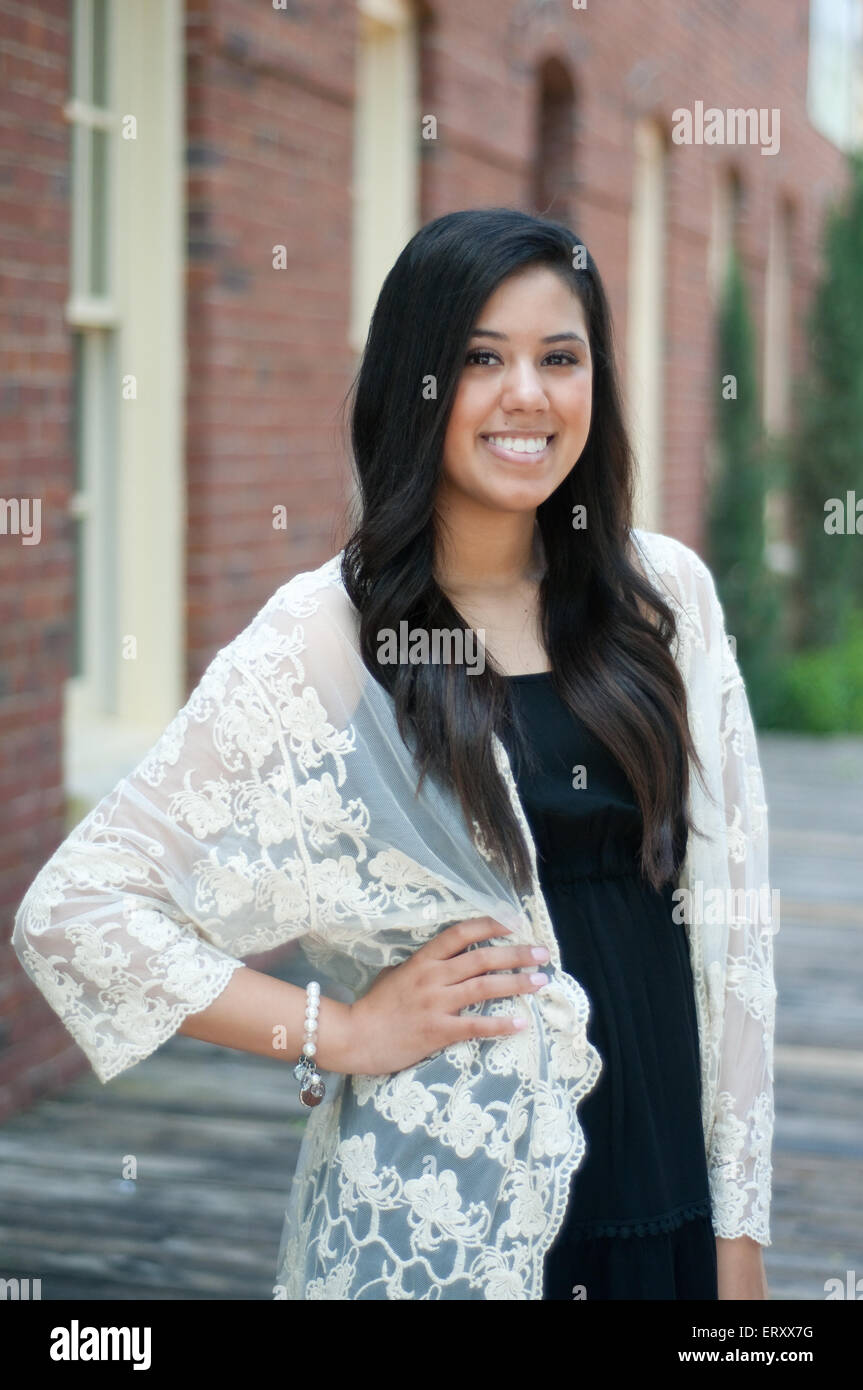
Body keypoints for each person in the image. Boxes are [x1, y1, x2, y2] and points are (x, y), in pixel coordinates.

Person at [12, 207, 777, 1301]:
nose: (527, 394)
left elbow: (733, 928)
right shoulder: (324, 637)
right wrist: (344, 1029)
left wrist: (738, 1235)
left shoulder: (663, 599)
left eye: (559, 358)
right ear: (415, 380)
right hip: (450, 1217)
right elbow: (78, 911)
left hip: (666, 1195)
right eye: (479, 358)